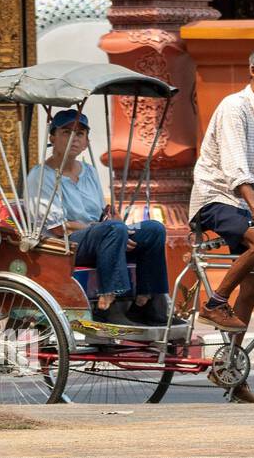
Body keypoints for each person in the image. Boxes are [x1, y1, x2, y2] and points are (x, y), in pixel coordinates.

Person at [186, 43, 254, 403]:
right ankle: (215, 302)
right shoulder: (234, 107)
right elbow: (235, 166)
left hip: (245, 204)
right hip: (216, 200)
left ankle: (229, 369)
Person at [25, 110, 169, 326]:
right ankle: (108, 304)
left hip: (102, 236)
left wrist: (117, 226)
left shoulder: (89, 172)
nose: (74, 138)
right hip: (64, 244)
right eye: (66, 132)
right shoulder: (40, 175)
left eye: (80, 134)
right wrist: (108, 229)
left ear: (86, 142)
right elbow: (57, 227)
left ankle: (146, 302)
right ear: (52, 137)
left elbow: (105, 214)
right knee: (113, 230)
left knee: (154, 229)